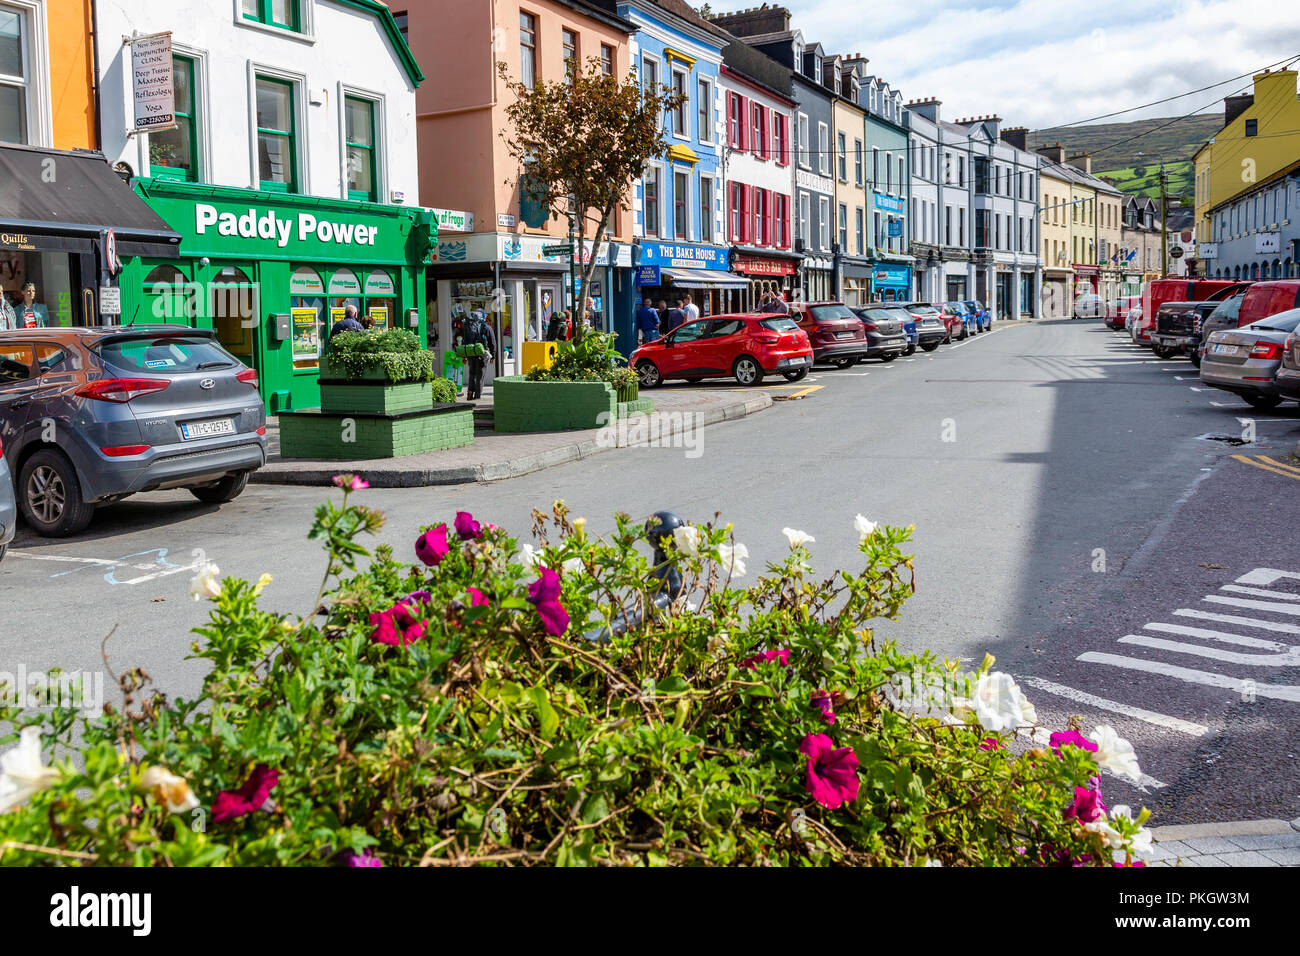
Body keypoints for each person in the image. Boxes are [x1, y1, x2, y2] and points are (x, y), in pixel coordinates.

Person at [463, 308, 496, 400]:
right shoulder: (487, 327)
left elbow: (464, 340)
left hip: (470, 353)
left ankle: (470, 393)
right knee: (480, 376)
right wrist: (493, 355)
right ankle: (477, 397)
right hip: (483, 354)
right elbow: (492, 343)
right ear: (483, 317)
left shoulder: (469, 326)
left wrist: (465, 355)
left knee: (472, 374)